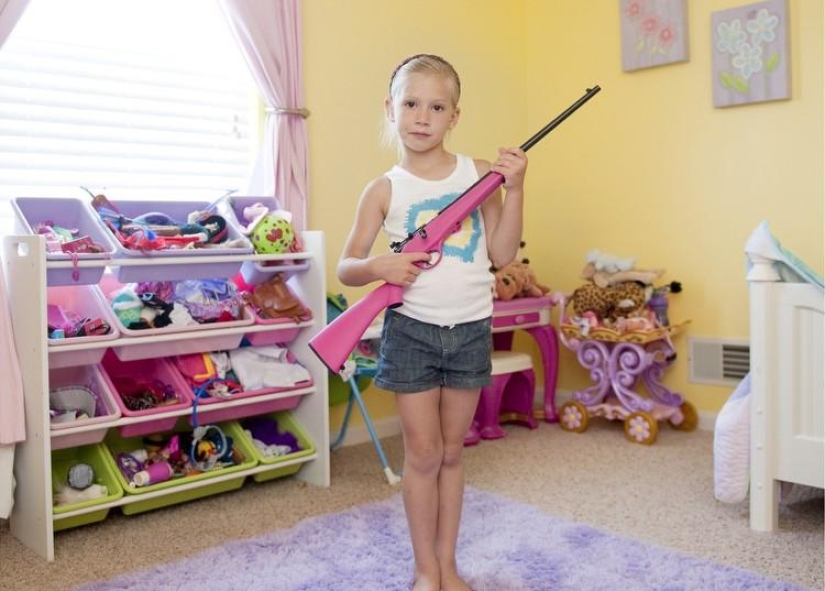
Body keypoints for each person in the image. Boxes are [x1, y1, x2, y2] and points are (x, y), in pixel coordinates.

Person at [337, 53, 528, 591]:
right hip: (412, 332)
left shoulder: (477, 177)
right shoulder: (383, 189)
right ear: (391, 109)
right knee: (421, 455)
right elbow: (347, 266)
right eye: (411, 103)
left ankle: (448, 566)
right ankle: (425, 571)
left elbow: (502, 253)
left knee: (451, 452)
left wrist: (514, 189)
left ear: (454, 117)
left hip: (469, 329)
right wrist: (380, 265)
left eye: (437, 106)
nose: (422, 116)